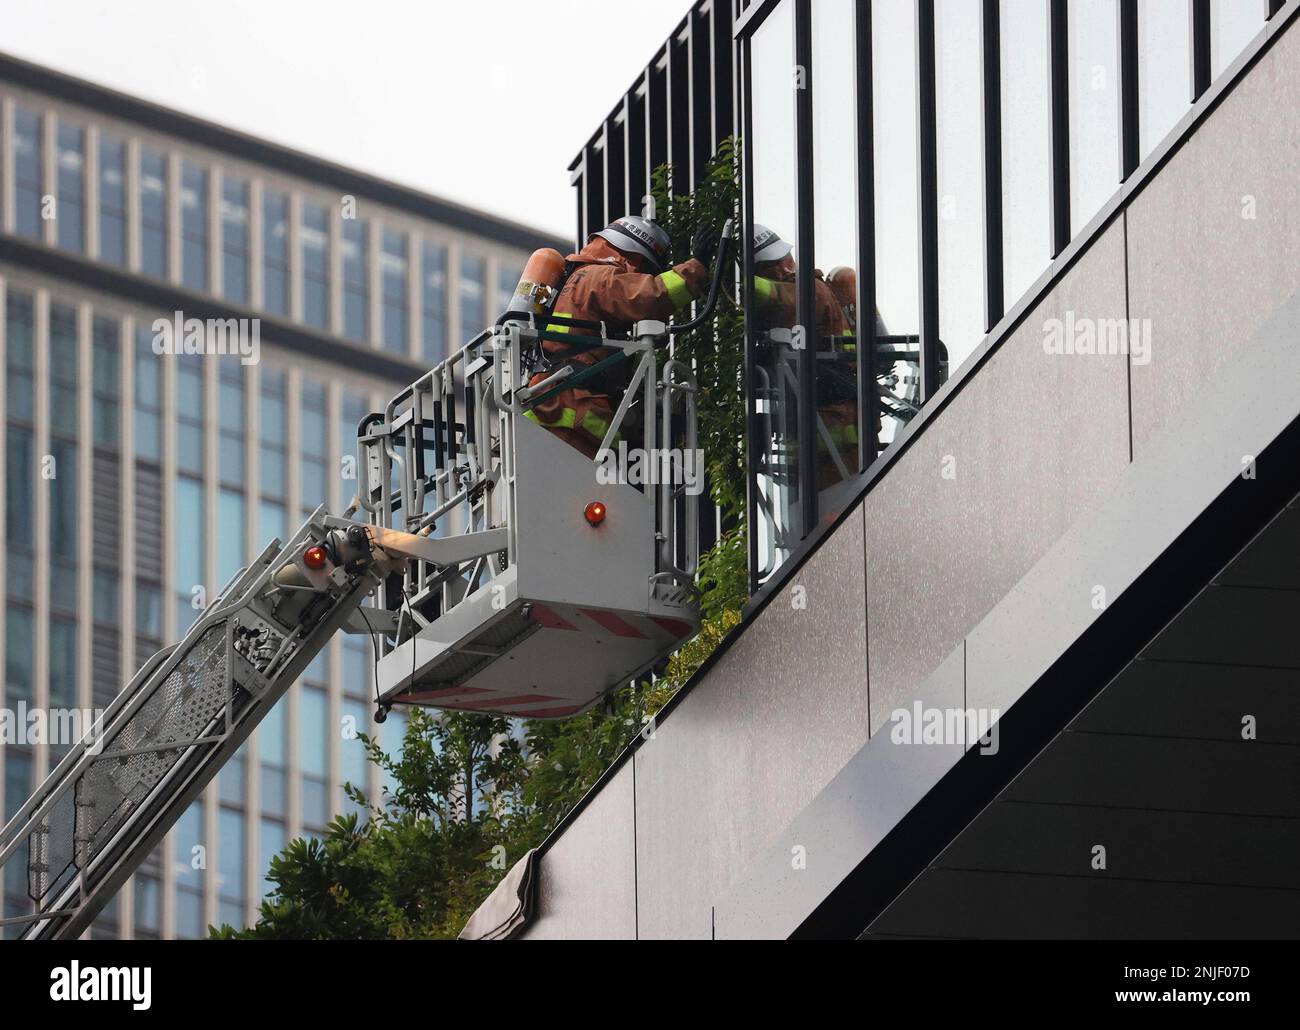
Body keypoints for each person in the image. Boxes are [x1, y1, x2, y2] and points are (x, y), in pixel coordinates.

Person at [525, 216, 717, 458]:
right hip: (572, 414)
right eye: (645, 270)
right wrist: (696, 267)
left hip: (553, 407)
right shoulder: (600, 277)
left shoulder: (575, 277)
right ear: (633, 258)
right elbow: (650, 296)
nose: (641, 276)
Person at [749, 224, 859, 489]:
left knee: (837, 517)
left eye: (784, 258)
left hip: (833, 429)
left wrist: (730, 278)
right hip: (816, 431)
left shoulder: (809, 288)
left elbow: (779, 298)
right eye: (775, 262)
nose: (786, 266)